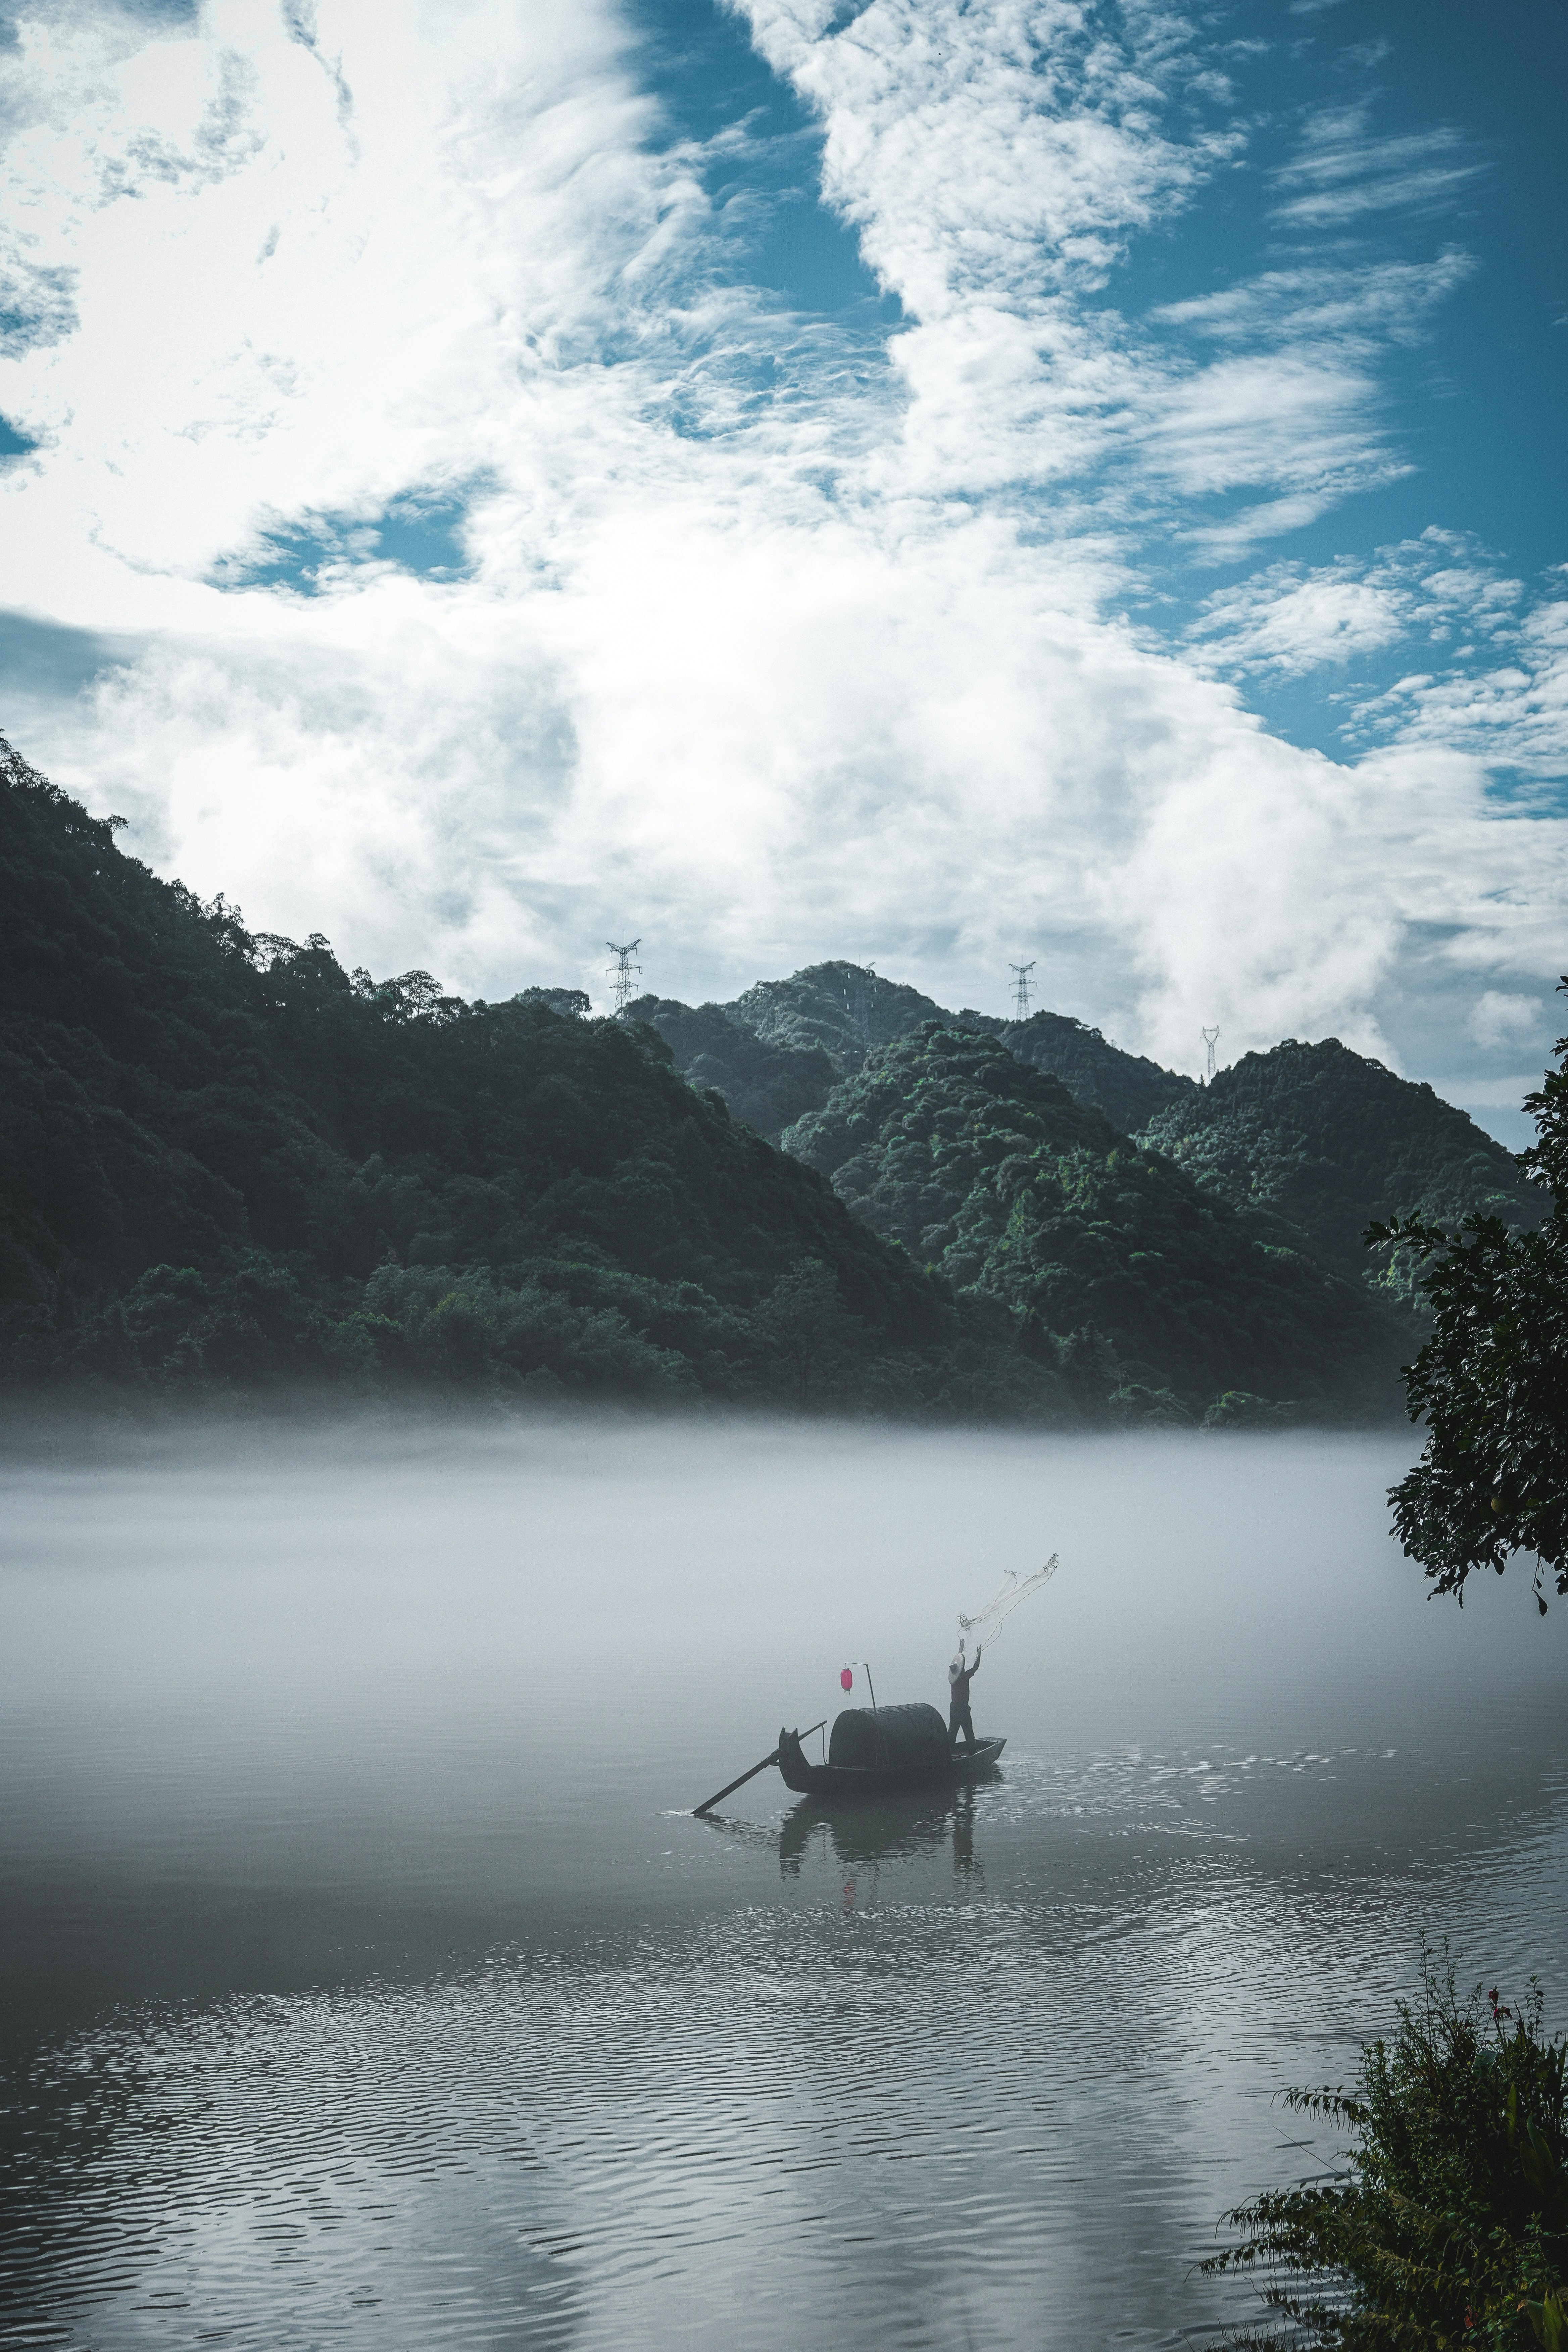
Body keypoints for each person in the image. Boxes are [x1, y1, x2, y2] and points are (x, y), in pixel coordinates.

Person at [947, 1641, 981, 1751]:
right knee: (969, 1733)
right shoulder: (964, 1677)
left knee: (952, 1732)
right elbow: (975, 1668)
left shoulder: (954, 1679)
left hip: (953, 1708)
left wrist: (960, 1649)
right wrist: (979, 1655)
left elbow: (957, 1663)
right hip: (963, 1709)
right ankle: (972, 1753)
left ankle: (949, 1753)